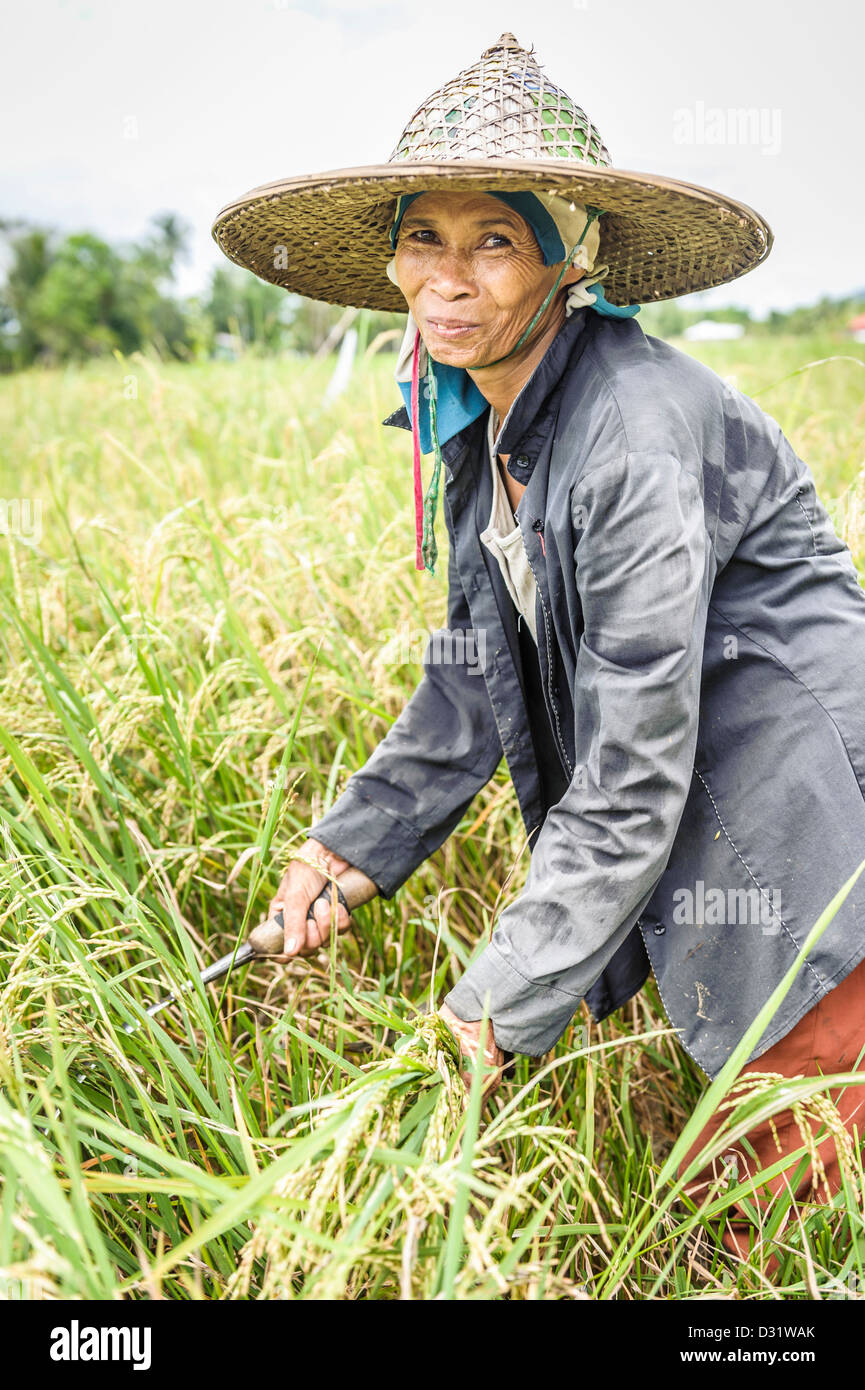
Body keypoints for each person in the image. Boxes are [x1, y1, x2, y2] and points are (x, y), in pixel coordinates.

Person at [213, 33, 865, 1258]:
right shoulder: (488, 426)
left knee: (778, 1206)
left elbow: (627, 779)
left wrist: (484, 1017)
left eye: (494, 240)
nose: (447, 278)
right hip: (707, 797)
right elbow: (469, 681)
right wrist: (343, 856)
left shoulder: (629, 431)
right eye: (424, 238)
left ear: (568, 263)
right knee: (729, 1161)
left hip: (799, 808)